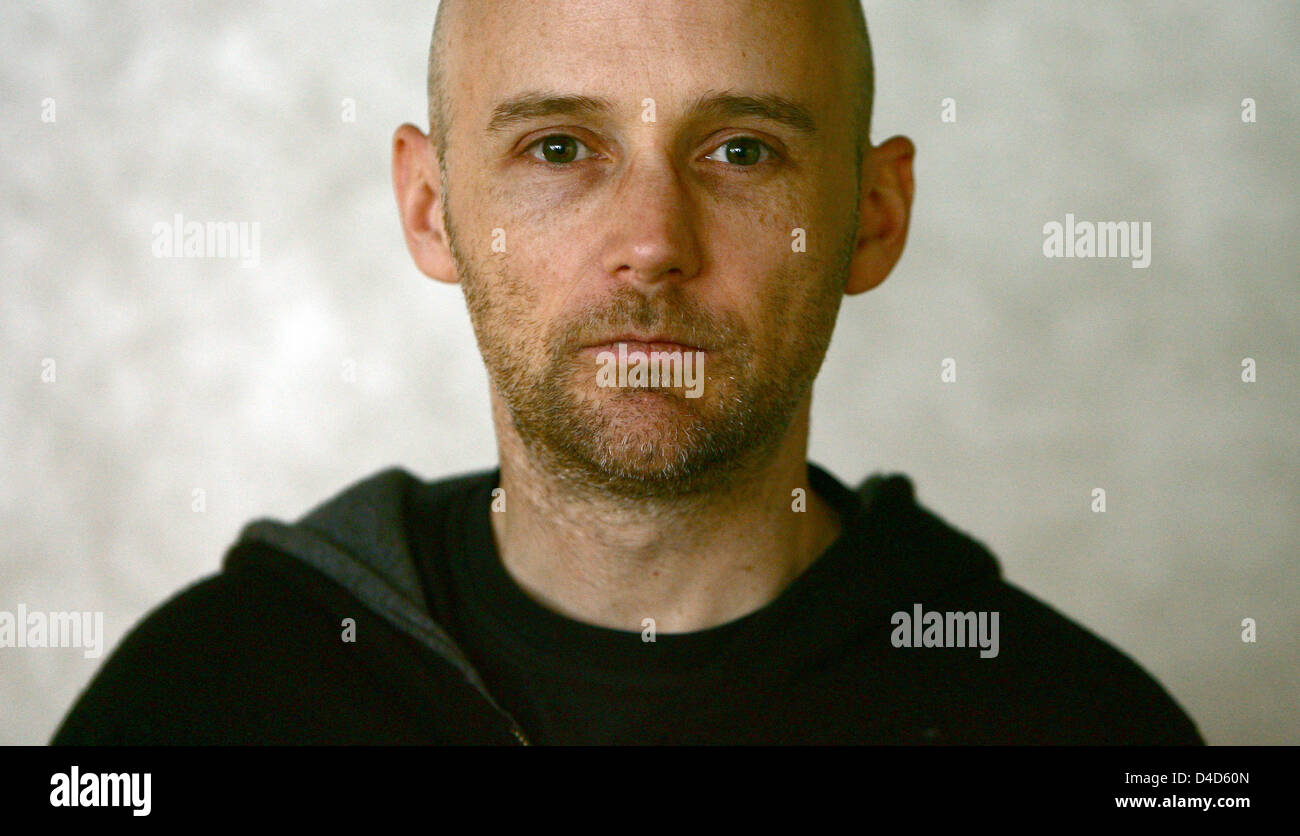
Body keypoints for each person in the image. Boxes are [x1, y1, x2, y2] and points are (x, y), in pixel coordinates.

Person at [52, 0, 1202, 745]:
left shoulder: (1077, 726)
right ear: (432, 207)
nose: (653, 239)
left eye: (740, 149)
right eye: (558, 147)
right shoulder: (205, 701)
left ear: (872, 215)